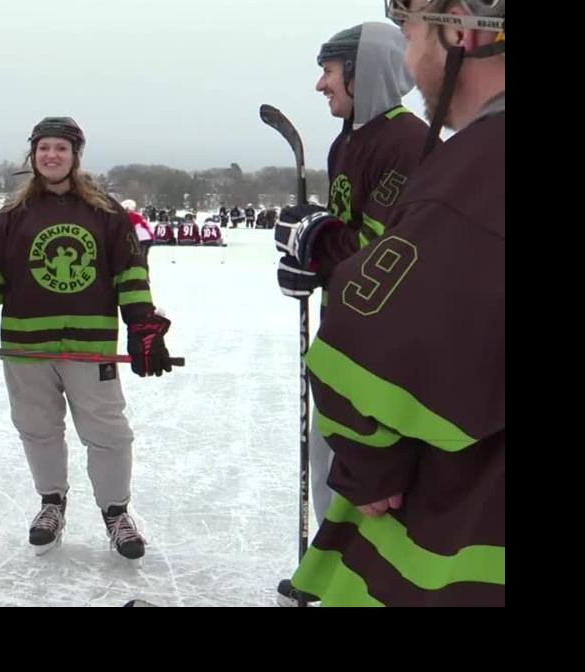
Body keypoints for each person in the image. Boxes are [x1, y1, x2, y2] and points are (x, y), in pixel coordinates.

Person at [287, 0, 504, 606]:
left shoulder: (467, 160)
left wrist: (322, 244)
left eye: (410, 33)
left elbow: (404, 290)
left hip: (445, 482)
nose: (410, 59)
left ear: (460, 28)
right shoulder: (351, 144)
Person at [0, 117, 174, 561]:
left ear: (76, 155)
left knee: (109, 432)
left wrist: (143, 326)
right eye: (43, 149)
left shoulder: (107, 212)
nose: (51, 156)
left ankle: (116, 512)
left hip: (89, 346)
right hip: (25, 347)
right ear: (33, 156)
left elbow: (130, 275)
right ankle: (51, 503)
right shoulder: (11, 217)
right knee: (37, 429)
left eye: (60, 148)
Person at [273, 23, 430, 604]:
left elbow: (382, 255)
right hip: (345, 333)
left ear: (364, 75)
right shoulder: (348, 142)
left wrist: (320, 245)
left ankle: (370, 581)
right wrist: (308, 258)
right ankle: (332, 568)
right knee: (331, 458)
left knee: (368, 468)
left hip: (383, 343)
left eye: (330, 71)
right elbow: (346, 237)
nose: (320, 84)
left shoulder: (406, 142)